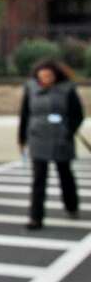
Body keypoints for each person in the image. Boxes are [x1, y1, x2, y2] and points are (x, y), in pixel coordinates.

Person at [19, 59, 85, 229]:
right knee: (39, 179)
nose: (45, 79)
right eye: (42, 77)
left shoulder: (67, 89)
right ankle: (36, 217)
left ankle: (71, 206)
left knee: (65, 175)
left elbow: (77, 114)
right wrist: (22, 139)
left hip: (60, 138)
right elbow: (25, 114)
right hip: (38, 138)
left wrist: (68, 131)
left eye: (48, 76)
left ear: (55, 75)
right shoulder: (31, 88)